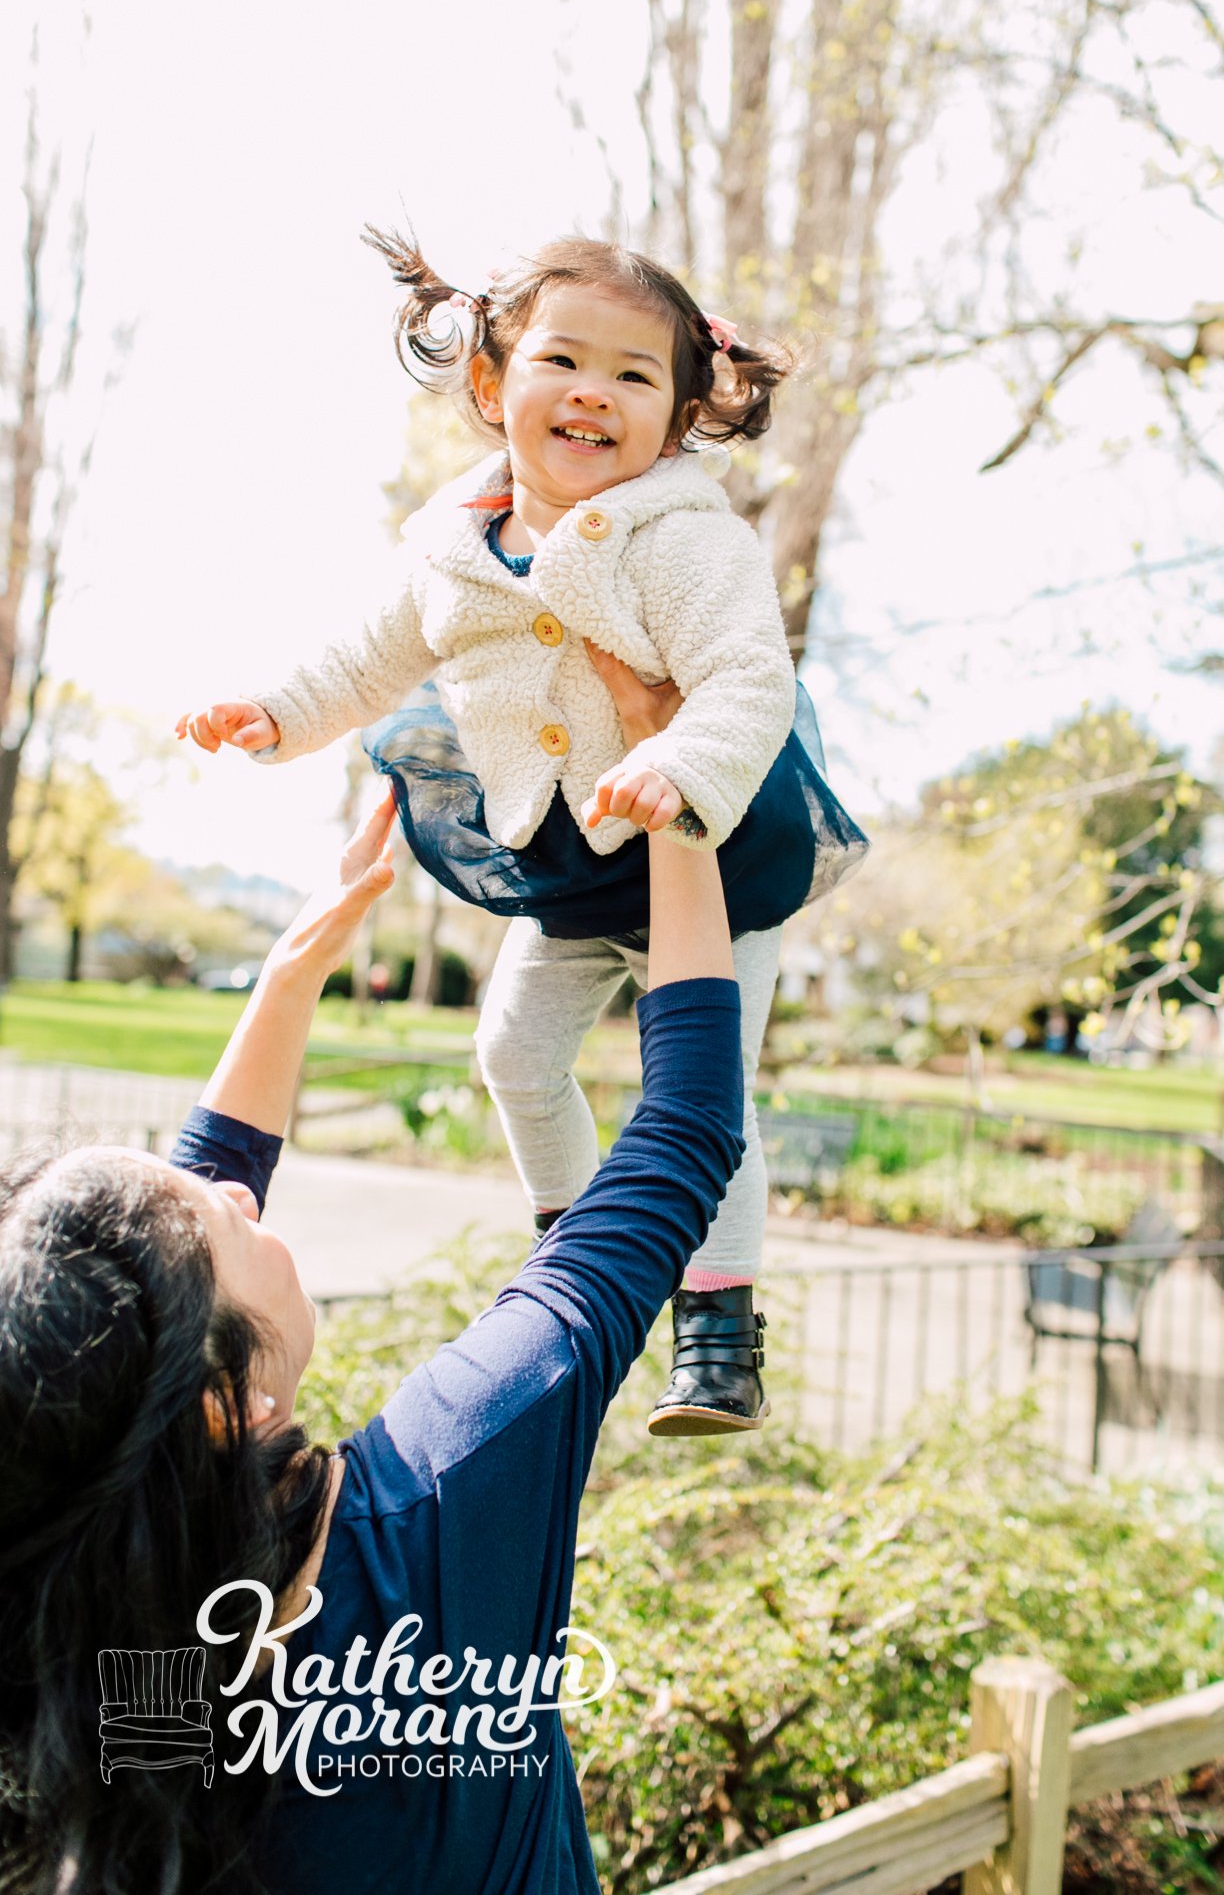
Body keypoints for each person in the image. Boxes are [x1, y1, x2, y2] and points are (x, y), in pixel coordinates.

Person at [0, 653, 748, 1895]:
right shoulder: (450, 1493)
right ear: (222, 1407)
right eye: (226, 1219)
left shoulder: (123, 1646)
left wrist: (292, 972)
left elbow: (132, 1333)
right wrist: (678, 791)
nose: (241, 1185)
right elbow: (685, 1133)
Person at [176, 233, 867, 1436]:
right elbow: (369, 657)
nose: (596, 389)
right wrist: (276, 713)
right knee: (511, 1050)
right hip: (568, 855)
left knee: (709, 1089)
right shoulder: (449, 546)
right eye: (564, 359)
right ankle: (575, 1242)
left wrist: (676, 763)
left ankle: (717, 1324)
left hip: (707, 856)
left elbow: (747, 680)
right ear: (495, 388)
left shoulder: (687, 537)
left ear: (680, 417)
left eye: (636, 375)